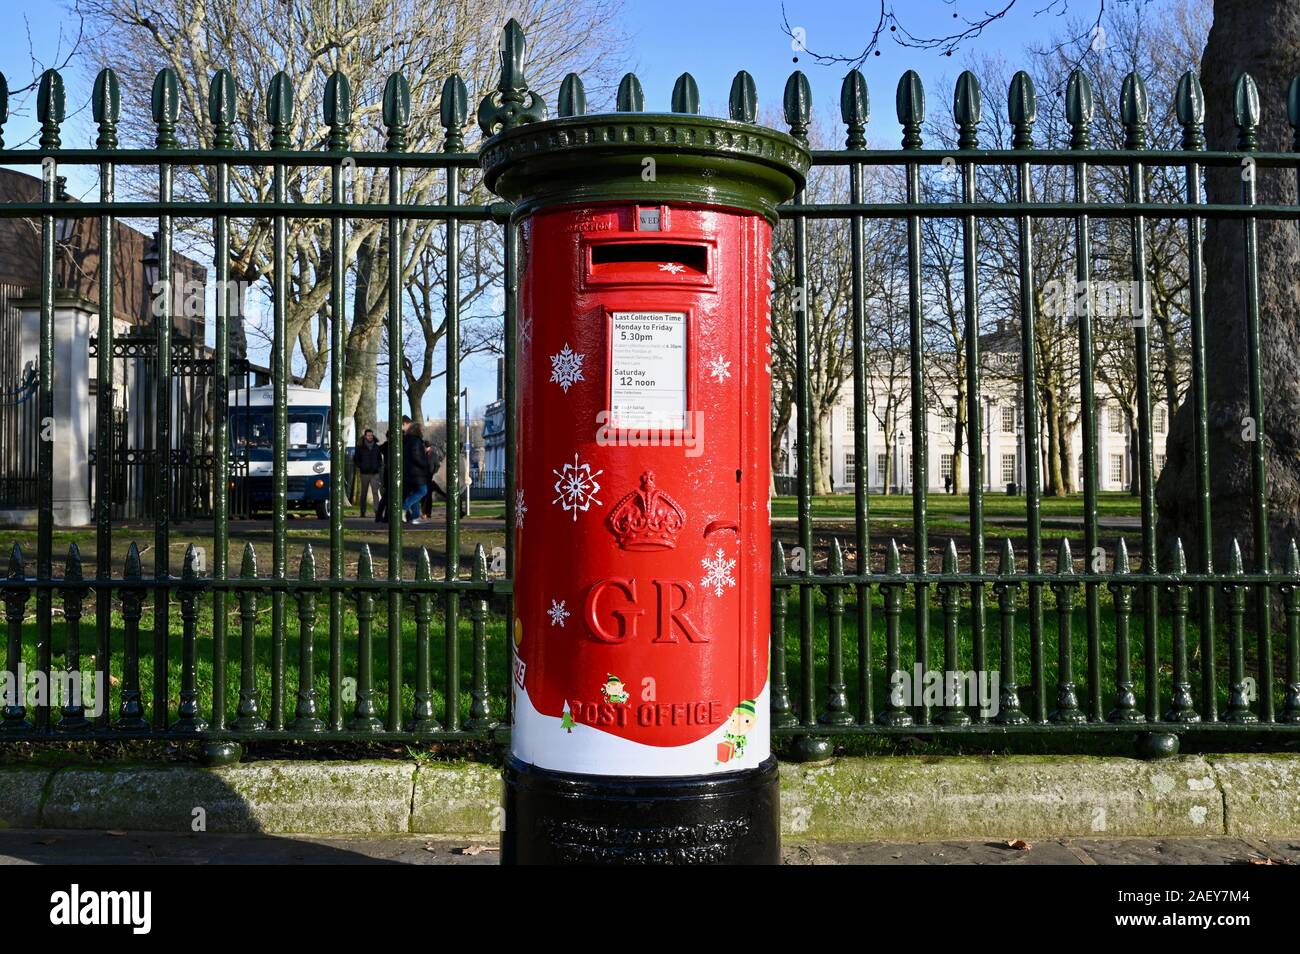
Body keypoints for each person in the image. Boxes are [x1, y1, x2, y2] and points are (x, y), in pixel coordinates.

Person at [401, 417, 431, 526]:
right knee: (423, 491)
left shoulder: (409, 440)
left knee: (415, 493)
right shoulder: (416, 441)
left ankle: (415, 516)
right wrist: (424, 465)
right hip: (417, 471)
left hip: (411, 471)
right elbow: (417, 457)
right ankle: (404, 507)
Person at [353, 429, 383, 517]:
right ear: (365, 436)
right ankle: (362, 512)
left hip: (375, 473)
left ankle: (377, 511)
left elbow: (379, 459)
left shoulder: (376, 447)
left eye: (371, 435)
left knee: (375, 493)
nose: (370, 437)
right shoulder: (360, 447)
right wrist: (361, 466)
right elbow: (356, 459)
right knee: (363, 493)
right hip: (364, 473)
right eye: (368, 435)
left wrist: (377, 465)